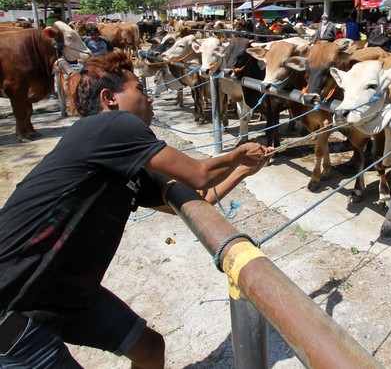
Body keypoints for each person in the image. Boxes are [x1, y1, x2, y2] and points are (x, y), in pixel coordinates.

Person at [0, 50, 273, 368]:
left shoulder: (122, 161)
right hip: (14, 303)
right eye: (140, 90)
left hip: (63, 291)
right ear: (109, 99)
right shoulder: (112, 126)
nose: (150, 98)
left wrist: (243, 171)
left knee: (149, 348)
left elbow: (200, 196)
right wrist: (237, 154)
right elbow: (200, 173)